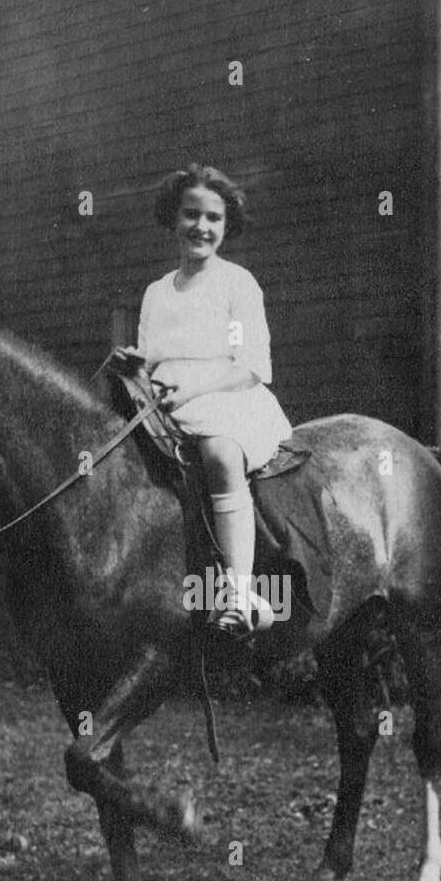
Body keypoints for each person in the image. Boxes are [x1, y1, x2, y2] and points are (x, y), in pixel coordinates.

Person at [120, 164, 292, 637]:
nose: (201, 227)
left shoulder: (237, 284)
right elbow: (154, 359)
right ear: (173, 220)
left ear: (226, 225)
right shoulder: (157, 292)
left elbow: (251, 364)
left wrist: (195, 389)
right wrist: (136, 363)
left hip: (228, 395)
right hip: (165, 403)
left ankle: (238, 591)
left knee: (219, 451)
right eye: (191, 214)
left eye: (213, 218)